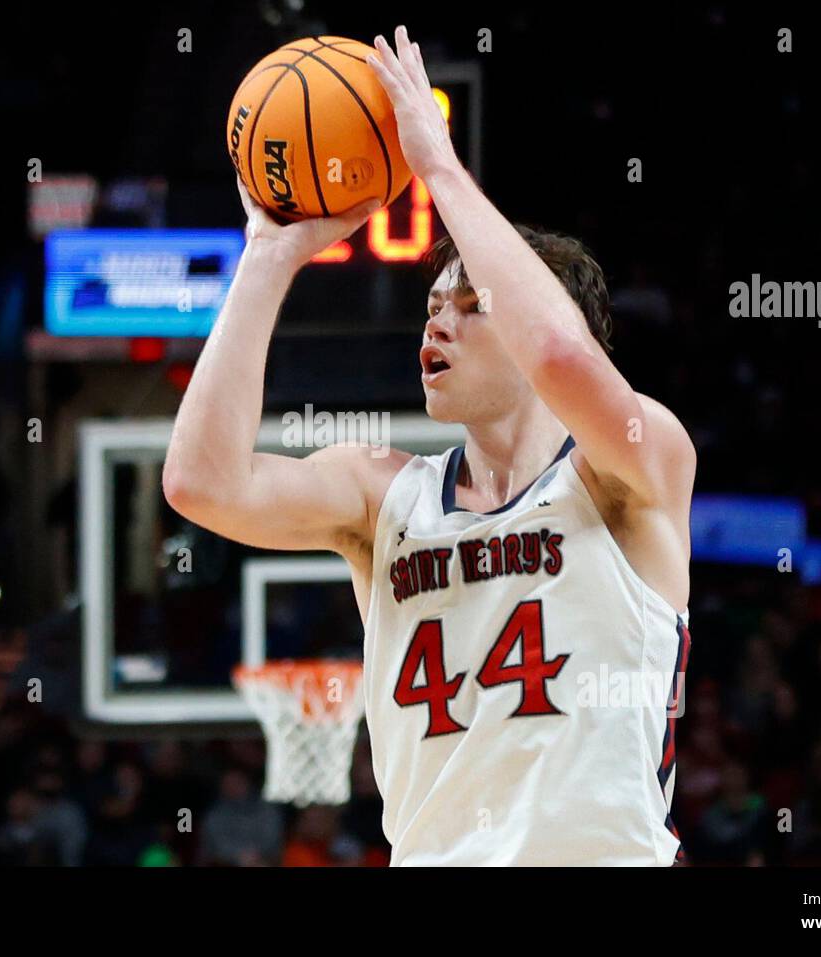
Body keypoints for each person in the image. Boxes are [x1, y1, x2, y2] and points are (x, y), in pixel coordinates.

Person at [164, 26, 695, 865]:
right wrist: (267, 256)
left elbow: (559, 356)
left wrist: (439, 169)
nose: (436, 319)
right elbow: (201, 482)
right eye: (430, 306)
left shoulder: (635, 464)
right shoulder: (384, 495)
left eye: (472, 302)